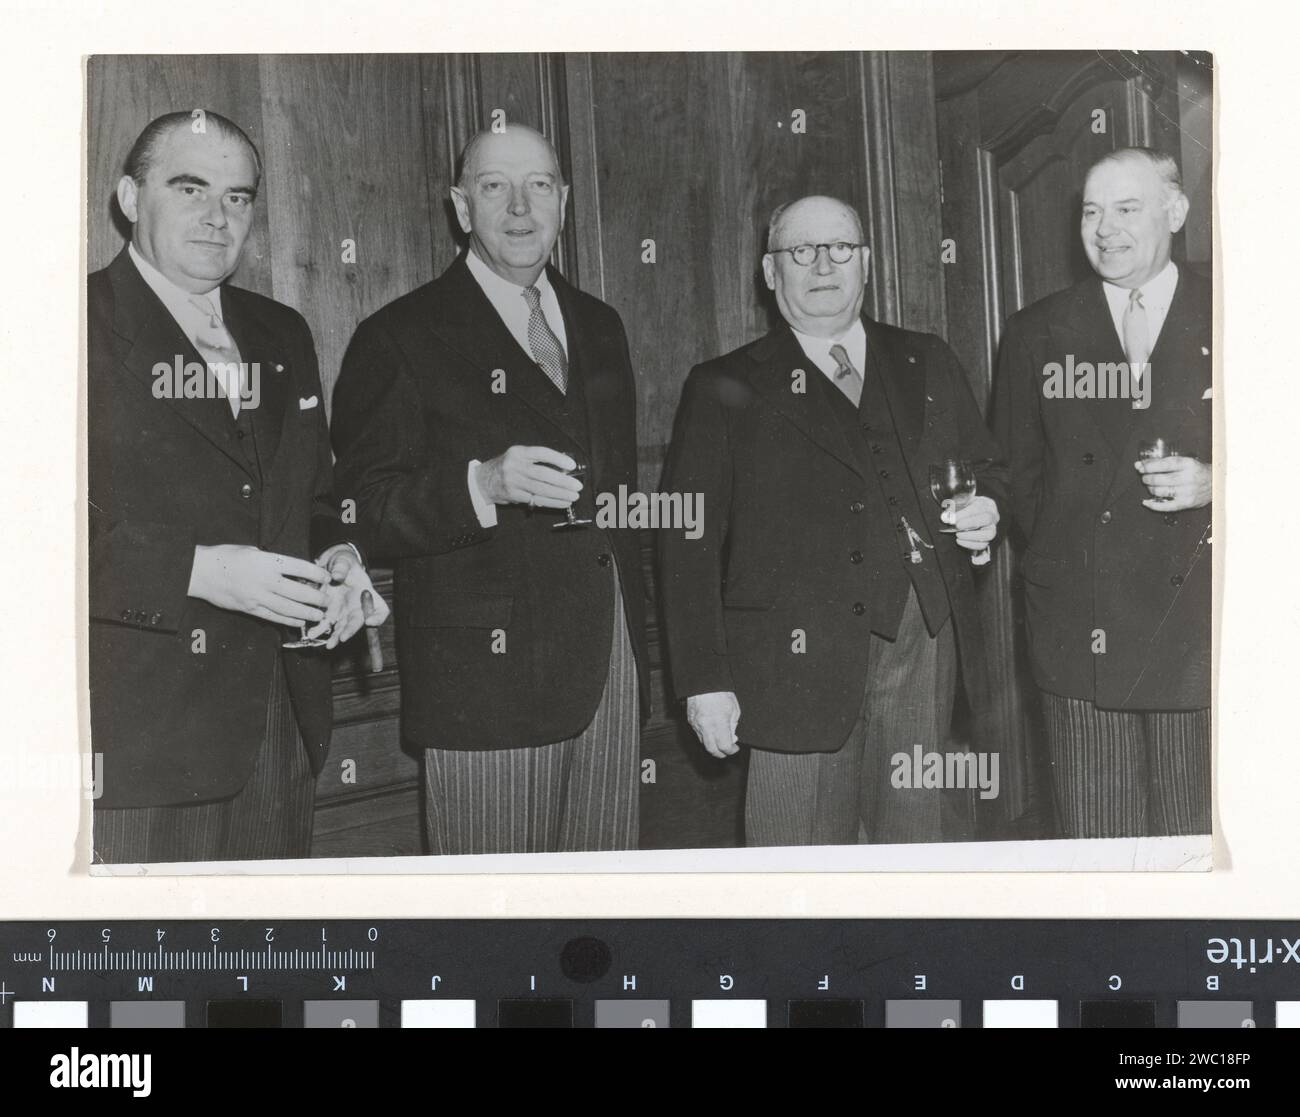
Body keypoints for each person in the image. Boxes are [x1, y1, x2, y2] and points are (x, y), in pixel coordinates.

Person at [331, 123, 648, 855]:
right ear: (460, 206)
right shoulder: (398, 335)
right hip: (486, 686)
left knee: (602, 917)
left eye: (538, 186)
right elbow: (360, 508)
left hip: (611, 668)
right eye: (493, 186)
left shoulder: (601, 326)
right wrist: (481, 482)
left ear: (564, 202)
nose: (519, 207)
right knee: (494, 923)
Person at [659, 195, 1007, 847]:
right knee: (797, 868)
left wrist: (989, 503)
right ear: (770, 272)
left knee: (918, 852)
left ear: (866, 263)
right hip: (791, 668)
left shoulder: (925, 359)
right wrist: (703, 680)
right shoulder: (722, 386)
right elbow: (688, 545)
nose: (824, 263)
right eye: (802, 250)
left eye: (841, 248)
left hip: (922, 644)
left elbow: (988, 467)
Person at [89, 110, 388, 863]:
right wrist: (202, 570)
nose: (218, 217)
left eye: (238, 197)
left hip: (283, 727)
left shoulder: (281, 331)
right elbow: (27, 536)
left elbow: (312, 501)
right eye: (190, 189)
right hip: (143, 747)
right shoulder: (62, 326)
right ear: (130, 197)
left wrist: (343, 561)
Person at [993, 146, 1212, 838]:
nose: (1105, 228)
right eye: (1091, 211)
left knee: (1196, 845)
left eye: (1126, 208)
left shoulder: (1247, 307)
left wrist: (1221, 483)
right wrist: (1073, 557)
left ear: (1175, 212)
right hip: (1083, 630)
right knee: (1103, 849)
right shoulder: (1036, 331)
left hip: (1202, 621)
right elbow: (1013, 473)